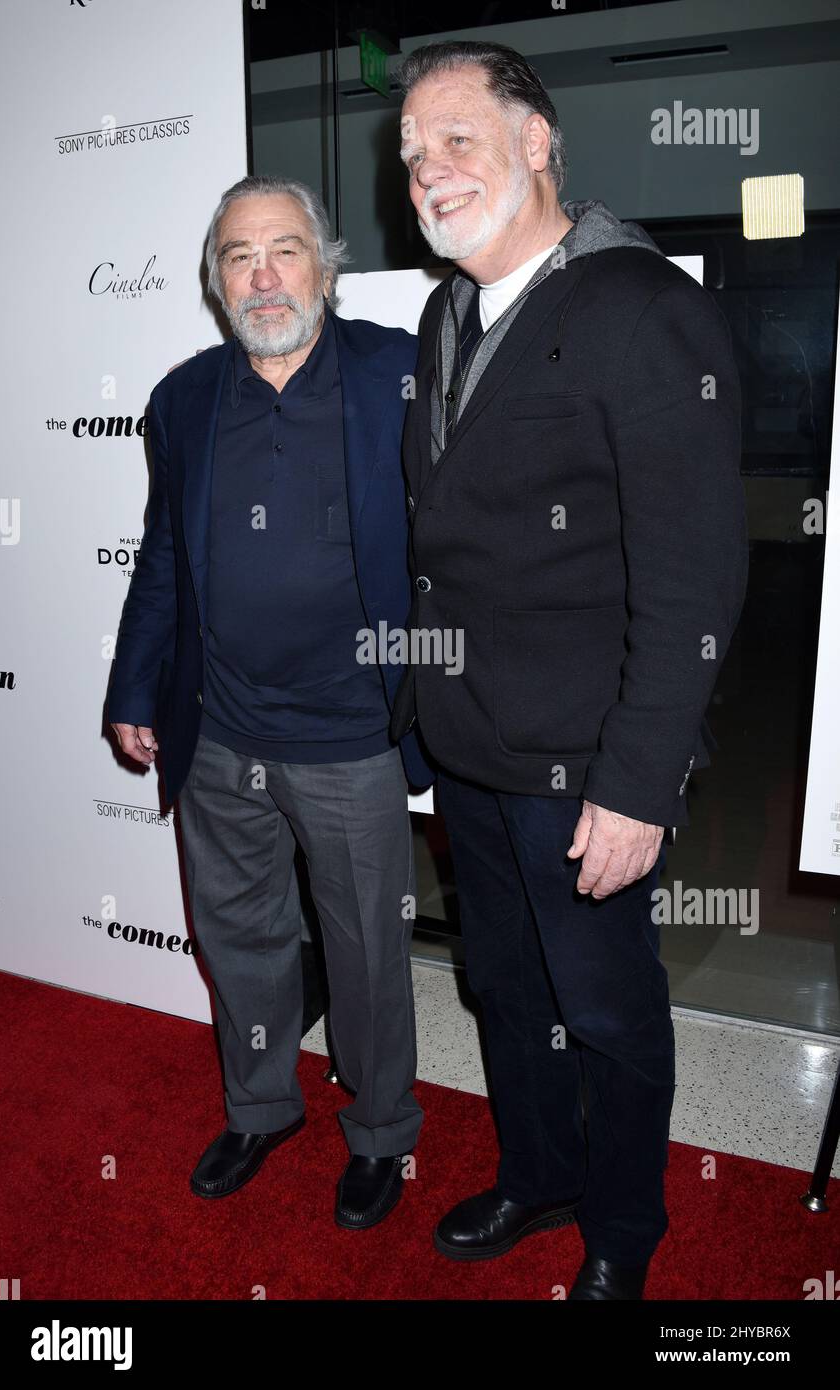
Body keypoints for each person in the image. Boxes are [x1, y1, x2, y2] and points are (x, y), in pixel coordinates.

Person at [390, 41, 749, 1299]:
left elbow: (695, 577)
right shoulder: (446, 313)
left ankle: (623, 1228)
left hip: (586, 761)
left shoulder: (645, 308)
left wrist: (638, 784)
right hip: (473, 748)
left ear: (537, 142)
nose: (427, 173)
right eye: (410, 153)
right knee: (502, 987)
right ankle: (539, 1173)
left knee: (605, 1009)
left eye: (456, 140)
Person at [107, 174, 433, 1230]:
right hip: (221, 732)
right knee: (238, 934)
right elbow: (163, 559)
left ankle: (382, 1130)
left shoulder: (397, 374)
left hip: (351, 736)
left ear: (324, 267)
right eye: (239, 257)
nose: (263, 274)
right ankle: (260, 1104)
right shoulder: (184, 399)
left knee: (367, 950)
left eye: (284, 249)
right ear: (216, 283)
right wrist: (133, 686)